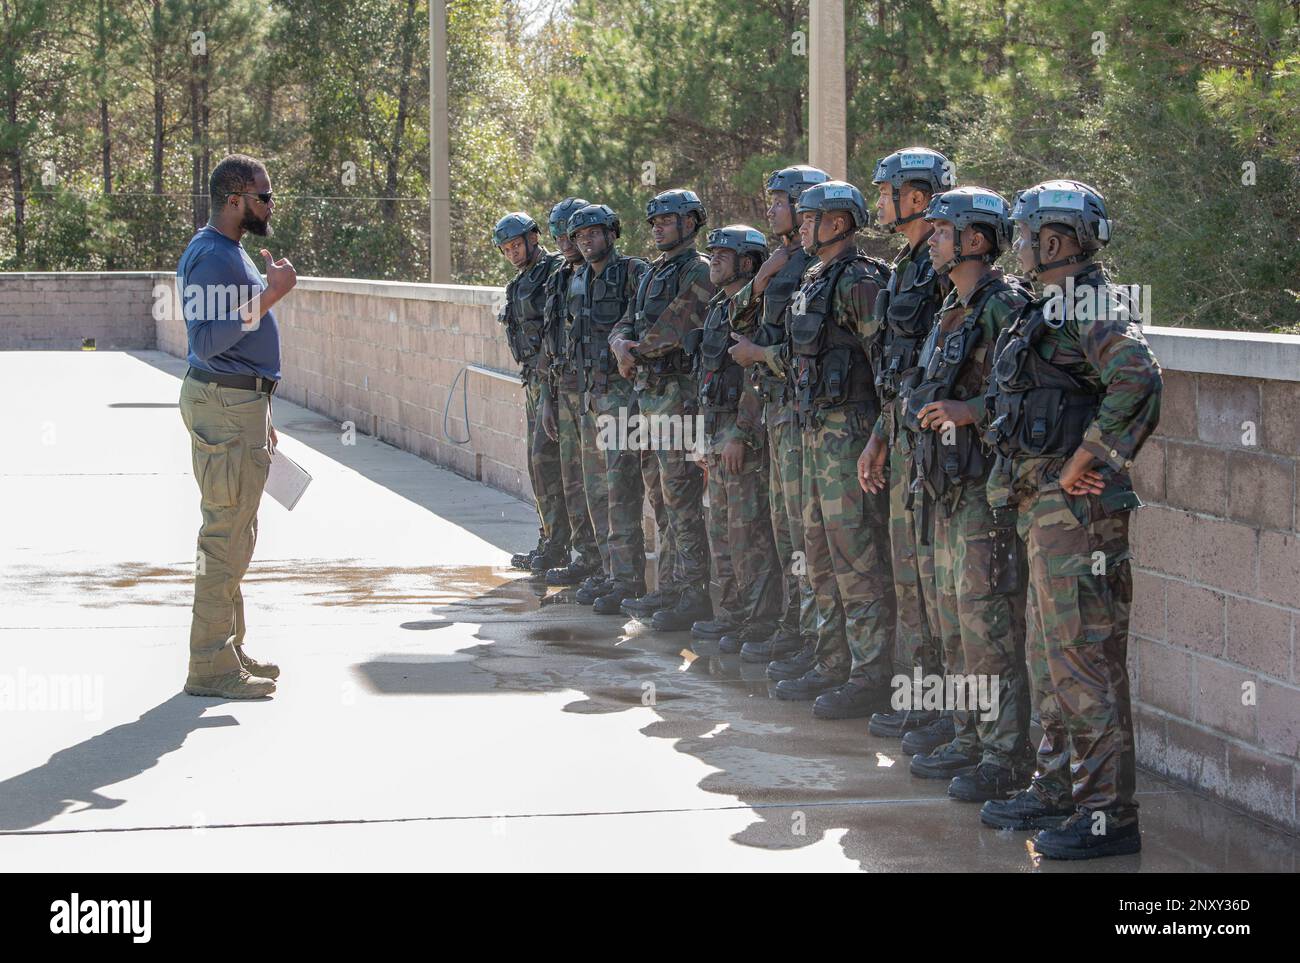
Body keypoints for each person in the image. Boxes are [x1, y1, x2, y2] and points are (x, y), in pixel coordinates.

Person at [979, 180, 1162, 859]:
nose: (1019, 245)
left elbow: (1138, 376)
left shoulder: (1090, 302)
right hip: (1046, 511)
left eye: (1027, 234)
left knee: (1084, 660)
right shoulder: (1050, 306)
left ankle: (1106, 815)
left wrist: (1088, 455)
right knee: (1051, 655)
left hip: (1078, 514)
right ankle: (1057, 785)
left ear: (1054, 240)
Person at [886, 186, 1032, 796]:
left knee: (984, 621)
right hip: (941, 484)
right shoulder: (952, 307)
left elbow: (1023, 398)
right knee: (949, 618)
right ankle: (968, 733)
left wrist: (968, 409)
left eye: (944, 231)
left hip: (980, 492)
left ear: (975, 240)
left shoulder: (1005, 308)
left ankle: (1004, 755)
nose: (934, 239)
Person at [771, 180, 897, 719]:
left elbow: (886, 361)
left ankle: (869, 674)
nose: (801, 226)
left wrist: (880, 436)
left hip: (850, 431)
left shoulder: (861, 280)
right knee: (817, 552)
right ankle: (831, 659)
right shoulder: (814, 278)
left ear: (840, 223)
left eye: (811, 218)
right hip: (814, 431)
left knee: (855, 557)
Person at [176, 153, 295, 699]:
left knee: (239, 531)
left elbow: (235, 339)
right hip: (224, 406)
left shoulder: (230, 252)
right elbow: (205, 341)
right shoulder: (209, 256)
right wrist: (269, 295)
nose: (271, 204)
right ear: (234, 199)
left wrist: (260, 412)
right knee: (223, 536)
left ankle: (228, 647)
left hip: (239, 408)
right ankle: (209, 666)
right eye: (263, 196)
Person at [859, 147, 956, 745]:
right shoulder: (906, 264)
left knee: (936, 583)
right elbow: (897, 369)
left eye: (886, 191)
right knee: (910, 579)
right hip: (901, 434)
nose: (879, 202)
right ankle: (920, 699)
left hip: (938, 449)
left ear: (915, 197)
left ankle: (944, 711)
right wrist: (878, 437)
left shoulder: (946, 266)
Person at [725, 165, 827, 665]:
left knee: (806, 532)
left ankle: (813, 638)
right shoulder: (781, 262)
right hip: (775, 413)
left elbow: (810, 351)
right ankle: (795, 625)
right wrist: (763, 276)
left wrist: (762, 356)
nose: (771, 209)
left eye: (779, 200)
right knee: (786, 530)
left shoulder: (821, 267)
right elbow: (737, 321)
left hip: (804, 413)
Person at [610, 189, 717, 631]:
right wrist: (619, 344)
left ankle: (692, 592)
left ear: (691, 223)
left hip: (678, 398)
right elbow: (627, 319)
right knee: (660, 497)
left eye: (667, 220)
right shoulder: (654, 273)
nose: (657, 227)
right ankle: (671, 589)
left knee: (682, 499)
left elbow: (676, 324)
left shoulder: (700, 270)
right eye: (654, 221)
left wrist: (637, 350)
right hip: (648, 397)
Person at [691, 225, 782, 649]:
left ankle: (758, 620)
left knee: (749, 535)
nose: (715, 260)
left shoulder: (758, 309)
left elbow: (755, 377)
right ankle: (729, 613)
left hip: (738, 433)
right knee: (721, 531)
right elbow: (704, 372)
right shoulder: (717, 308)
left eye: (723, 254)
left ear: (748, 262)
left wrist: (742, 435)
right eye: (712, 252)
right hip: (713, 427)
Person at [563, 204, 651, 615]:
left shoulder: (633, 272)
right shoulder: (578, 278)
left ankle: (628, 580)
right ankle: (605, 569)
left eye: (593, 233)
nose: (585, 240)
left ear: (611, 235)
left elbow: (644, 325)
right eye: (579, 235)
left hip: (622, 400)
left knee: (620, 492)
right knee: (595, 489)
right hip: (588, 398)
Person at [493, 212, 568, 576]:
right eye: (506, 249)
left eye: (516, 244)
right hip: (533, 382)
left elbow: (557, 326)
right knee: (537, 465)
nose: (512, 253)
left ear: (534, 238)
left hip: (554, 380)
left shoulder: (554, 271)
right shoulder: (519, 282)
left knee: (548, 461)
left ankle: (562, 546)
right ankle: (550, 539)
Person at [538, 197, 603, 588]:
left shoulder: (610, 273)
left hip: (596, 393)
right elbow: (551, 343)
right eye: (560, 233)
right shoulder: (561, 278)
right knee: (572, 479)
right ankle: (585, 556)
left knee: (600, 482)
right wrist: (548, 398)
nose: (565, 241)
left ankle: (607, 565)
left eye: (572, 233)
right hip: (564, 392)